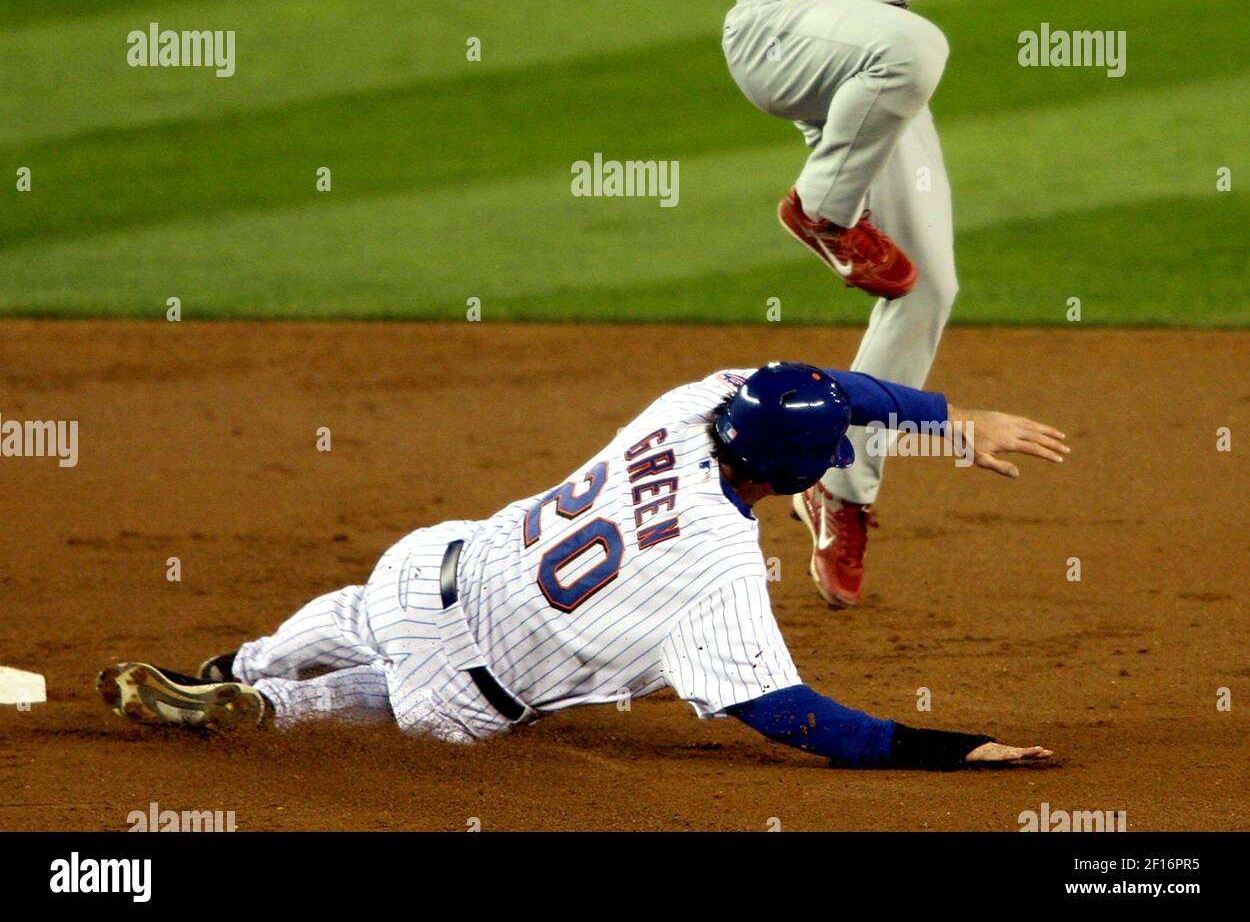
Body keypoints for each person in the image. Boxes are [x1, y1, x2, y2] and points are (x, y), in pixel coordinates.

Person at [722, 0, 1142, 608]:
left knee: (926, 286)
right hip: (783, 30)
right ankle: (819, 210)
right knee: (916, 46)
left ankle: (838, 486)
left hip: (870, 61)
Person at [98, 362, 1066, 769]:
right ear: (793, 477)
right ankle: (270, 711)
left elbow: (828, 385)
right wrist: (956, 747)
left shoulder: (685, 407)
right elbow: (799, 718)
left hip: (429, 567)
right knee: (401, 698)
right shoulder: (722, 570)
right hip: (459, 693)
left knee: (363, 609)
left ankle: (240, 664)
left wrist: (946, 418)